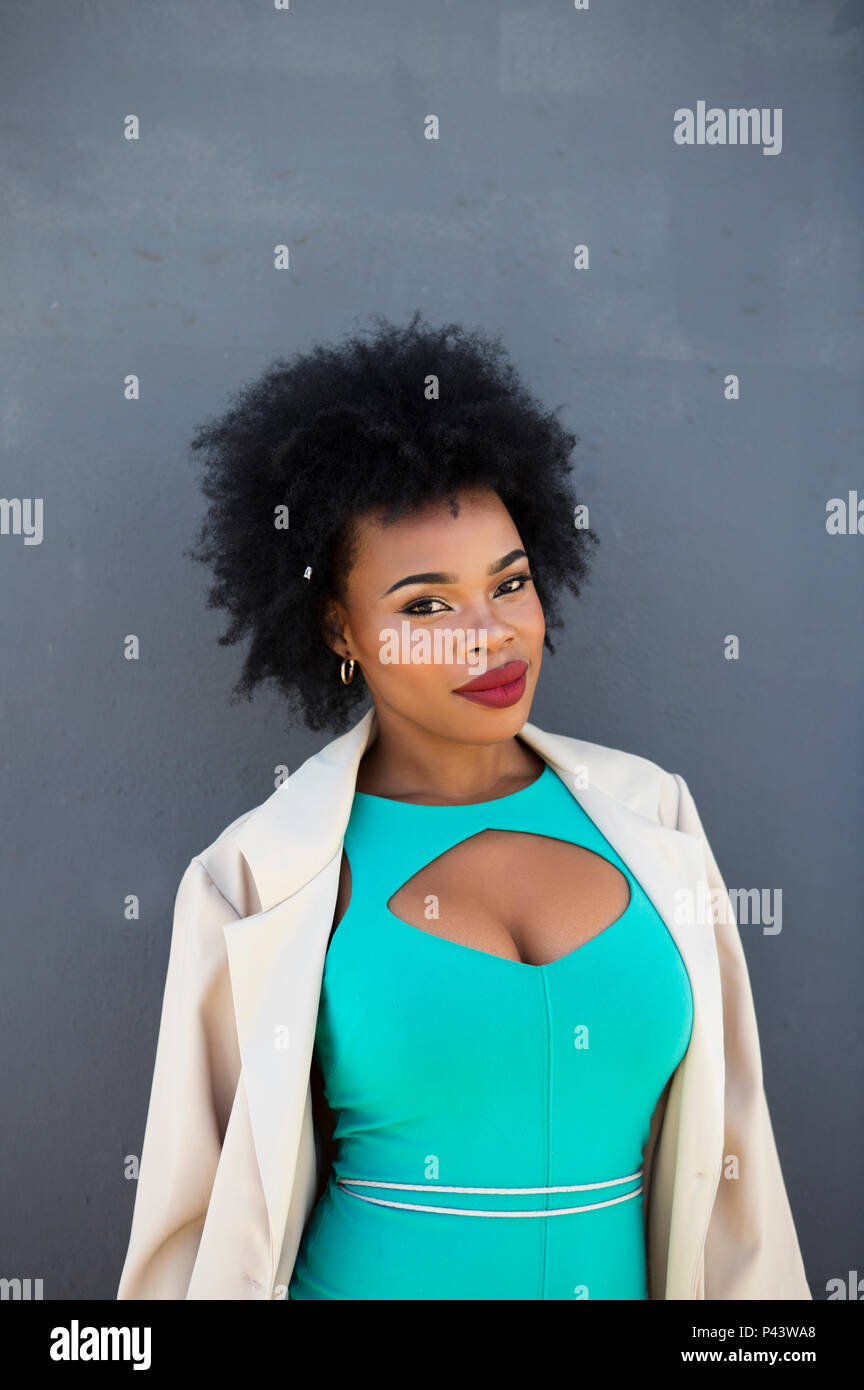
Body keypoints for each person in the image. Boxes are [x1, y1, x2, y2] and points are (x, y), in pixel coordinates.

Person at [116, 311, 810, 1300]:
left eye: (510, 583)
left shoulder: (653, 817)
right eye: (424, 605)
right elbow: (191, 1226)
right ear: (337, 628)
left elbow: (735, 1183)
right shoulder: (256, 874)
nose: (488, 637)